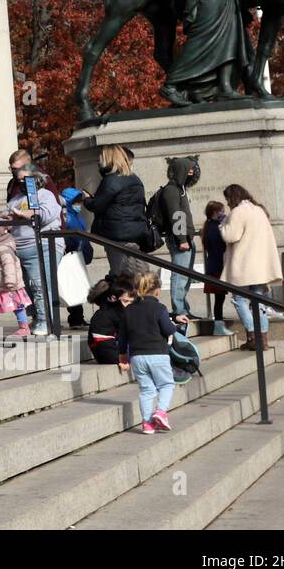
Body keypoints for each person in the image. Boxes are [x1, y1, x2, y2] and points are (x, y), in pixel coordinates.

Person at [4, 150, 64, 336]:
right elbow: (8, 214)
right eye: (14, 172)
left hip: (43, 244)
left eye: (21, 173)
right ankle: (38, 318)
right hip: (21, 246)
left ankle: (46, 321)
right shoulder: (14, 193)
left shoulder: (44, 191)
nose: (18, 177)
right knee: (28, 287)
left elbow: (48, 212)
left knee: (40, 284)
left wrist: (32, 214)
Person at [219, 183, 281, 352]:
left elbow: (231, 236)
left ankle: (253, 336)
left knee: (239, 300)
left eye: (227, 199)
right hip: (260, 265)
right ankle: (263, 338)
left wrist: (222, 224)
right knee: (258, 302)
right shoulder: (258, 210)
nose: (227, 203)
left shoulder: (238, 212)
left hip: (245, 264)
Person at [116, 272, 179, 435]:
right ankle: (160, 412)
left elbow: (122, 335)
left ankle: (147, 423)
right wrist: (174, 326)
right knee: (166, 384)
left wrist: (123, 353)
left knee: (146, 390)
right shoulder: (159, 308)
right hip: (158, 353)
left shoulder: (128, 310)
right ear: (157, 290)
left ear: (137, 290)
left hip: (137, 357)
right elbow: (167, 329)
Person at [84, 144, 149, 277]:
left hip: (116, 235)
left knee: (120, 275)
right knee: (134, 273)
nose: (99, 162)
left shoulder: (111, 180)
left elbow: (97, 205)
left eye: (101, 158)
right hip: (135, 233)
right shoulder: (135, 179)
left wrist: (86, 199)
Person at [157, 156, 200, 317]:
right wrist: (181, 240)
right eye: (189, 169)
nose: (192, 172)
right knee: (180, 276)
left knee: (185, 276)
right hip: (180, 240)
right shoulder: (172, 190)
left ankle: (183, 308)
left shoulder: (179, 189)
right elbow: (176, 215)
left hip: (186, 238)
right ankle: (179, 310)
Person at [61, 187, 94, 328]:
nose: (79, 204)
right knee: (72, 289)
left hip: (78, 256)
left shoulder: (77, 216)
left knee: (77, 288)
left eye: (80, 201)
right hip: (69, 255)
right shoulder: (66, 216)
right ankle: (75, 319)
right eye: (76, 201)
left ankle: (78, 318)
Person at [201, 200, 233, 336]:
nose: (223, 213)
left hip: (214, 266)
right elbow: (220, 246)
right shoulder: (215, 228)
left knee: (219, 298)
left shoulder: (210, 226)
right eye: (221, 211)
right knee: (219, 298)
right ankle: (218, 326)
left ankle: (218, 325)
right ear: (215, 212)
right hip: (217, 266)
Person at [87, 273, 131, 365]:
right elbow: (105, 348)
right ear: (113, 298)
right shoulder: (102, 317)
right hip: (114, 355)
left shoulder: (119, 313)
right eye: (126, 300)